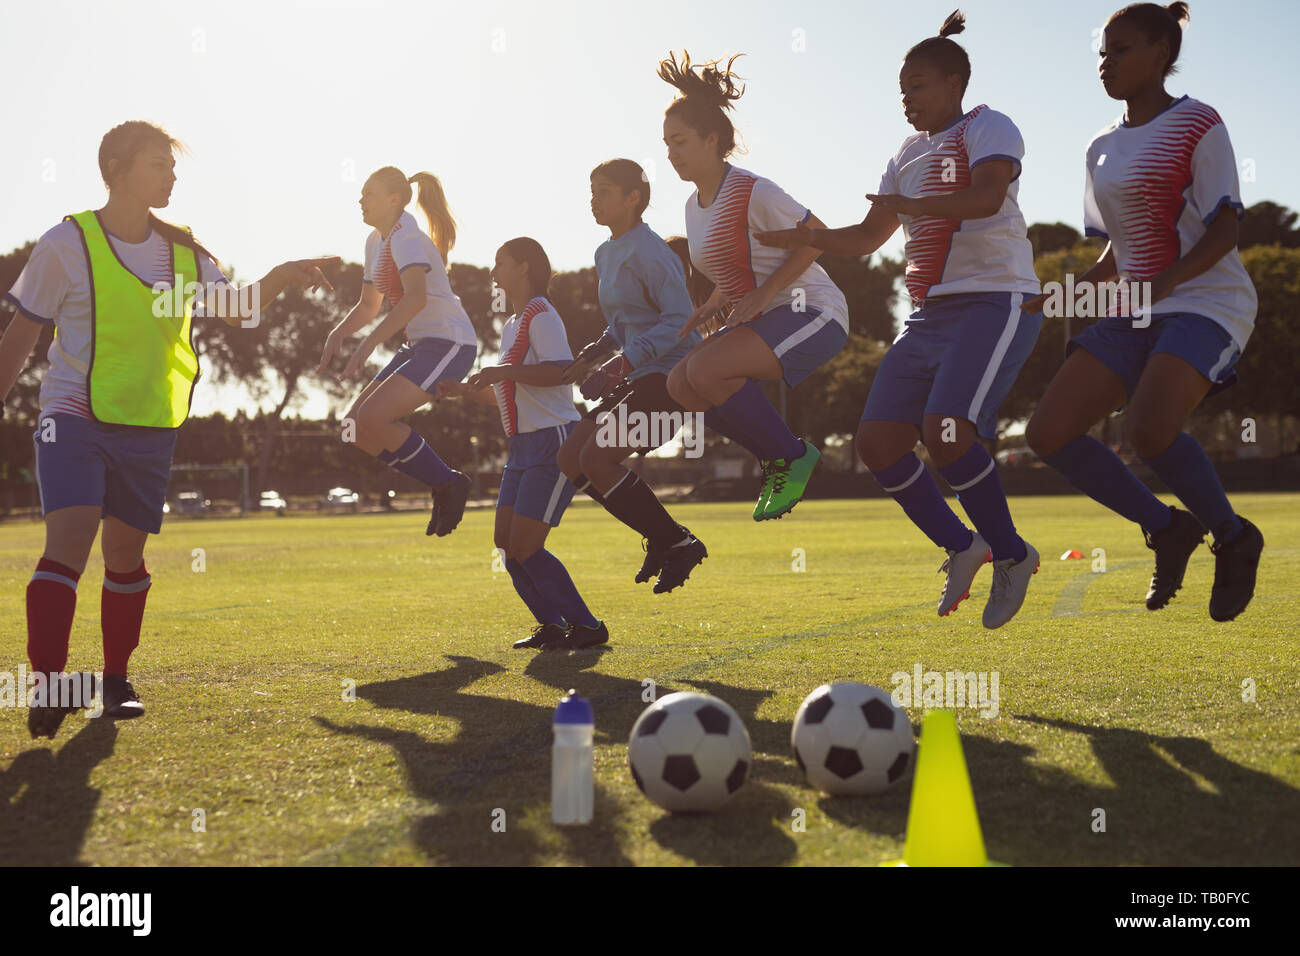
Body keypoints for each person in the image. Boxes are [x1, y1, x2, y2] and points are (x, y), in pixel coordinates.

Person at [0, 120, 336, 738]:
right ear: (118, 170)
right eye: (158, 164)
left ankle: (115, 681)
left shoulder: (182, 251)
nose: (171, 175)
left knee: (125, 555)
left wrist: (285, 273)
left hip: (150, 424)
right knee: (69, 543)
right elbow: (21, 337)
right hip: (72, 416)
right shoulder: (65, 243)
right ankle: (47, 684)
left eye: (172, 166)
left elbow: (238, 311)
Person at [758, 11, 1044, 628]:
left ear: (954, 82)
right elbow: (868, 236)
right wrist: (801, 237)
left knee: (946, 430)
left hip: (995, 300)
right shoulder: (905, 153)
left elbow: (987, 196)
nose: (907, 99)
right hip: (928, 316)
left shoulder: (989, 125)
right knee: (878, 443)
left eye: (918, 86)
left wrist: (912, 205)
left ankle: (1013, 554)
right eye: (901, 91)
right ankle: (963, 545)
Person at [1023, 2, 1263, 621]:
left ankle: (1234, 537)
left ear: (1162, 51)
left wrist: (1163, 284)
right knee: (1046, 433)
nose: (1106, 64)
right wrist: (1057, 295)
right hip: (1136, 306)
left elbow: (1226, 229)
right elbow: (1116, 250)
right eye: (1102, 53)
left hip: (1207, 301)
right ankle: (1167, 528)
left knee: (1149, 430)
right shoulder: (1099, 147)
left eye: (1121, 50)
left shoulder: (1198, 122)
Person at [658, 50, 850, 523]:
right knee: (680, 385)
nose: (671, 153)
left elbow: (817, 237)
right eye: (666, 143)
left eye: (680, 141)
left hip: (814, 313)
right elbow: (743, 262)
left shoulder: (753, 190)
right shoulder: (692, 205)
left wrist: (764, 295)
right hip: (765, 315)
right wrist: (717, 301)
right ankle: (778, 456)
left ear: (712, 138)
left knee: (703, 374)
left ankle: (790, 455)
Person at [437, 238, 607, 651]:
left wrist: (501, 371)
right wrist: (464, 390)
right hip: (522, 448)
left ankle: (587, 627)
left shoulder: (542, 315)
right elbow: (509, 388)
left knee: (526, 546)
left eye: (501, 262)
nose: (494, 272)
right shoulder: (513, 323)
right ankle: (550, 624)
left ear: (525, 267)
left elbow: (562, 372)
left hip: (554, 442)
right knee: (506, 544)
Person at [557, 159, 708, 595]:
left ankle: (675, 541)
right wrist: (599, 349)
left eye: (603, 191)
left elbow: (679, 319)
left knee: (596, 459)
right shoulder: (606, 252)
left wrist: (622, 361)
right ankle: (666, 538)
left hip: (672, 378)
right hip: (640, 372)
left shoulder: (650, 250)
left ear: (633, 198)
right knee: (571, 459)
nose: (593, 199)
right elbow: (627, 319)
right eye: (591, 191)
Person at [318, 167, 478, 537]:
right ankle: (444, 482)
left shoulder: (407, 238)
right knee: (355, 427)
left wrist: (369, 343)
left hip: (450, 343)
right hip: (420, 345)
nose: (360, 200)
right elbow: (368, 306)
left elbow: (416, 298)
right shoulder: (376, 241)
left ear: (394, 199)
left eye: (368, 193)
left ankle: (449, 484)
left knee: (375, 418)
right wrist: (338, 334)